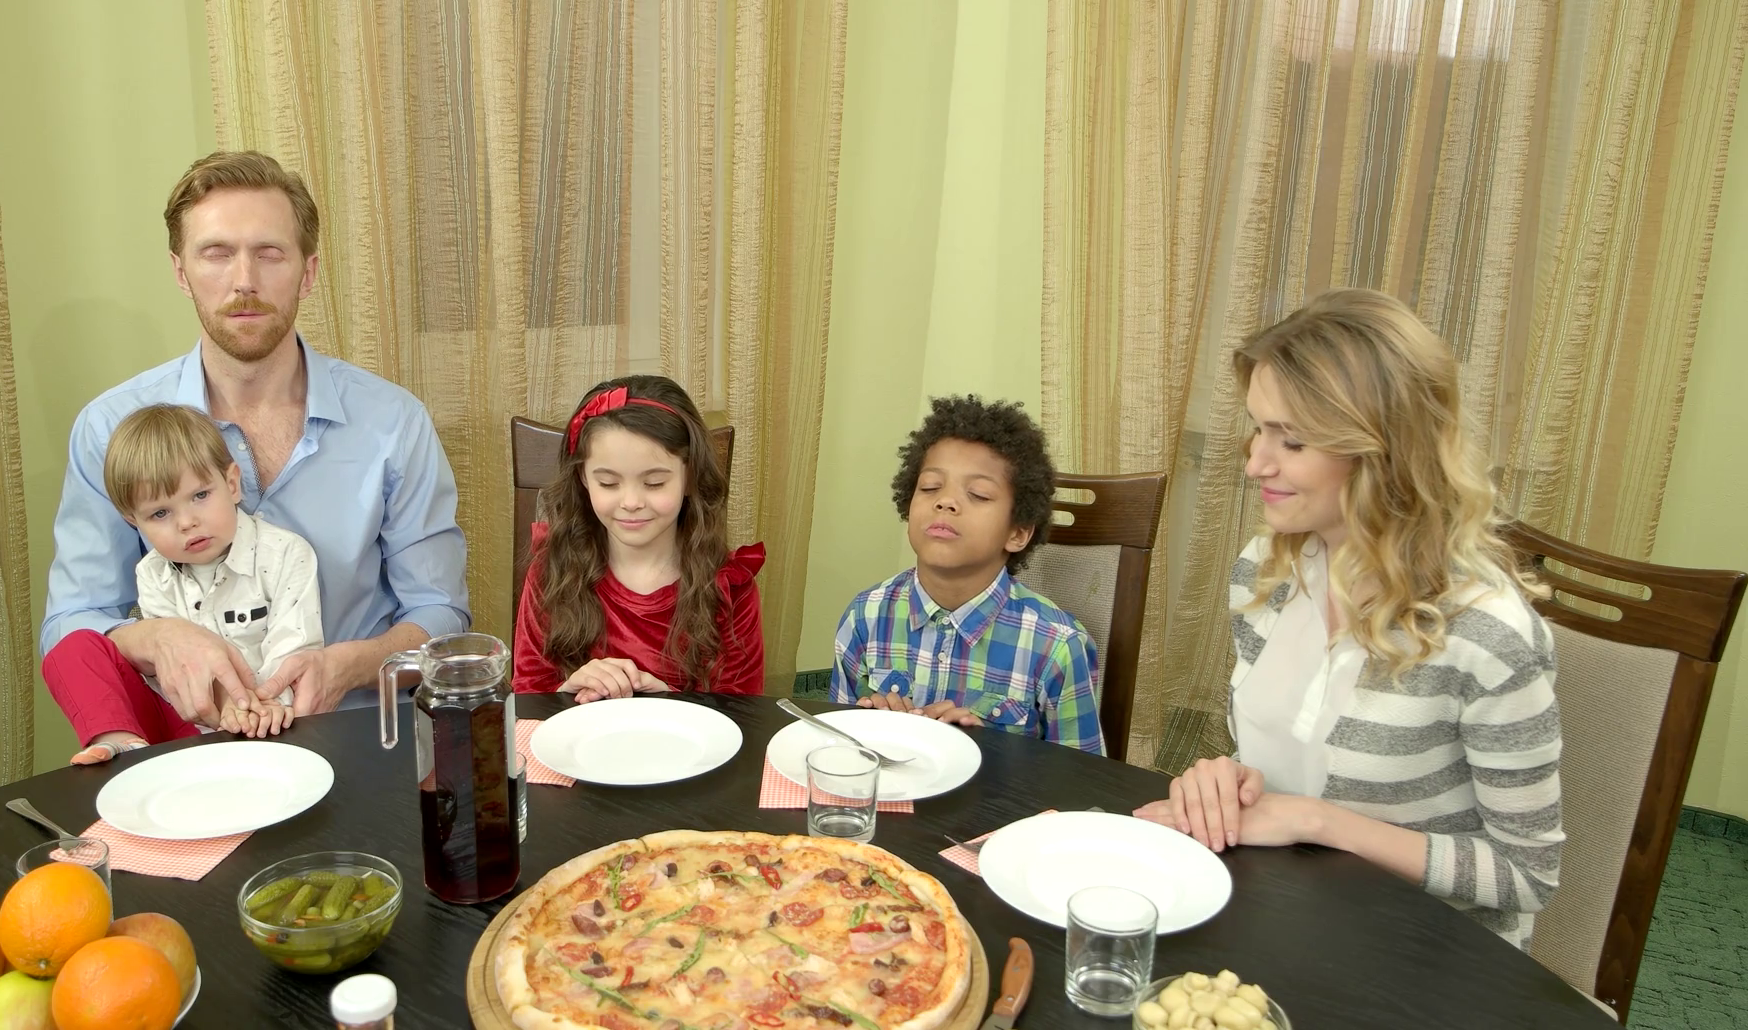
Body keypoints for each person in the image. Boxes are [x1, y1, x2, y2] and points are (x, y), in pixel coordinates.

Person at [1132, 288, 1563, 950]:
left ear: (1384, 452)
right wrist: (1229, 781)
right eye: (1259, 428)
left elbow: (1525, 877)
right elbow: (1281, 761)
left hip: (1422, 958)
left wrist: (1317, 820)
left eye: (1292, 440)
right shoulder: (1265, 574)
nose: (1256, 463)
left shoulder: (1486, 633)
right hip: (1287, 914)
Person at [41, 151, 470, 729]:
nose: (244, 281)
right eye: (216, 254)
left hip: (362, 741)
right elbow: (74, 622)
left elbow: (440, 613)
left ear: (308, 272)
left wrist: (351, 665)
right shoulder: (108, 427)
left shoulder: (394, 422)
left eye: (270, 254)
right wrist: (158, 638)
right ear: (180, 271)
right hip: (193, 749)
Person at [828, 395, 1104, 755]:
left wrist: (987, 753)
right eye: (930, 487)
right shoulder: (865, 616)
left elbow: (1078, 784)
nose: (946, 502)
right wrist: (870, 725)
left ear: (1018, 532)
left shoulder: (1059, 647)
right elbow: (834, 746)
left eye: (978, 494)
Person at [43, 404, 317, 763]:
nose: (187, 522)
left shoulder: (284, 554)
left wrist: (259, 707)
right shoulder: (152, 572)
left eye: (200, 496)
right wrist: (223, 707)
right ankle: (124, 745)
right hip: (188, 720)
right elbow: (173, 668)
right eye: (160, 513)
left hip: (271, 720)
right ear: (133, 522)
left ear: (231, 484)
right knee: (71, 648)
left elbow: (294, 646)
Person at [512, 376, 766, 699]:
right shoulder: (552, 573)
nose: (631, 502)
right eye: (608, 483)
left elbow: (742, 716)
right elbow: (528, 699)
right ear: (583, 478)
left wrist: (669, 702)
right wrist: (566, 691)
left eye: (654, 483)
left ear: (689, 478)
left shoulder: (730, 590)